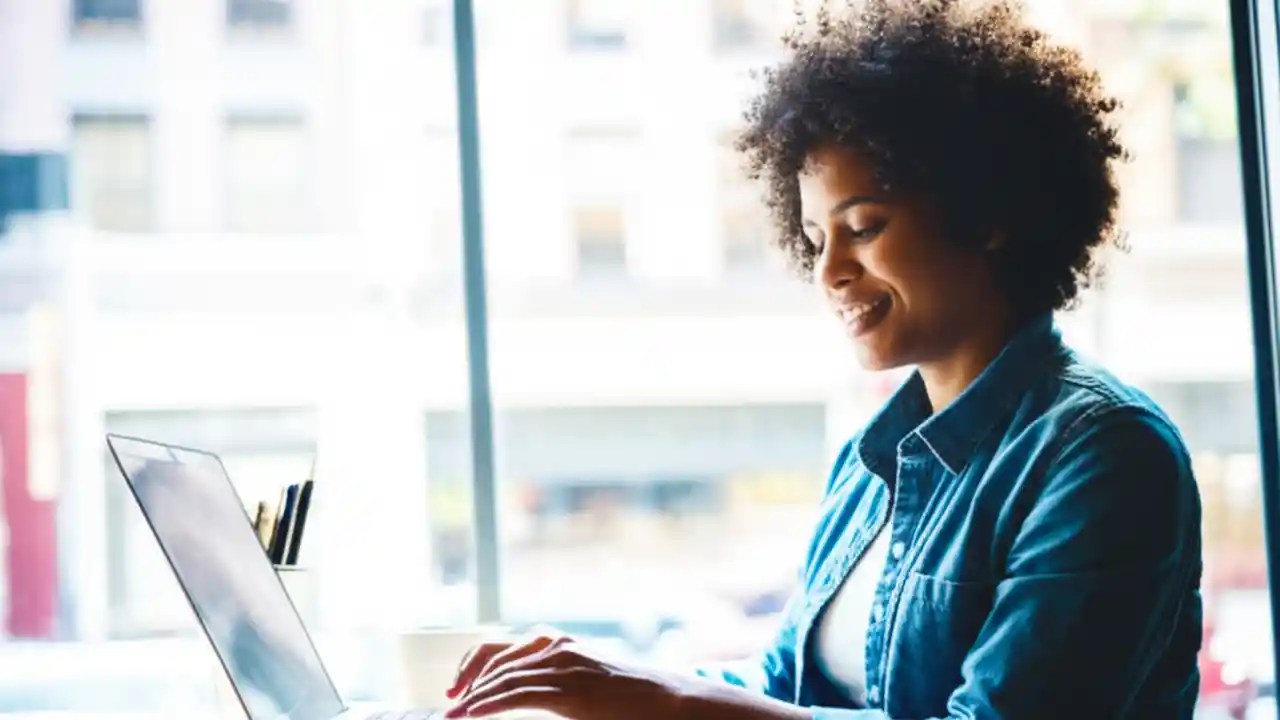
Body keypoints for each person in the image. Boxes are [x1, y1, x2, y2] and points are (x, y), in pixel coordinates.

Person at [442, 1, 1203, 717]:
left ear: (990, 213)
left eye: (863, 226)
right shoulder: (871, 465)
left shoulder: (1104, 453)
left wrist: (670, 703)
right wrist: (588, 683)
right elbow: (783, 687)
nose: (828, 270)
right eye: (814, 240)